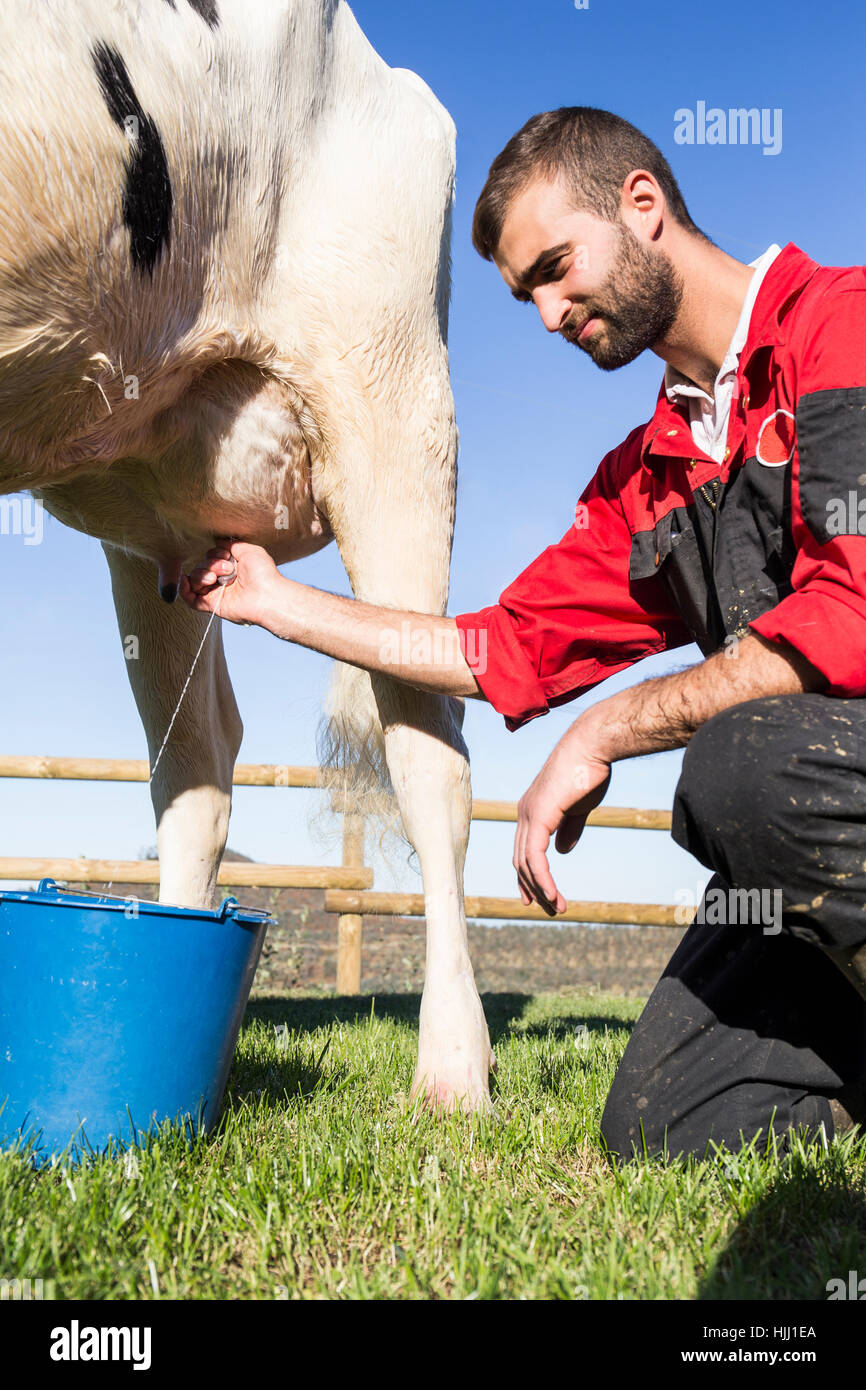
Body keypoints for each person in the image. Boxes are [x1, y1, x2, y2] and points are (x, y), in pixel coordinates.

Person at [181, 107, 866, 1161]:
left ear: (642, 206)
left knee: (736, 766)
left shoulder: (838, 323)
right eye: (522, 295)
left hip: (808, 777)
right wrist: (274, 600)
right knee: (664, 1121)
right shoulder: (650, 474)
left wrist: (602, 731)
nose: (546, 314)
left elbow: (849, 614)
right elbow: (494, 650)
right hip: (816, 816)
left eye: (554, 265)